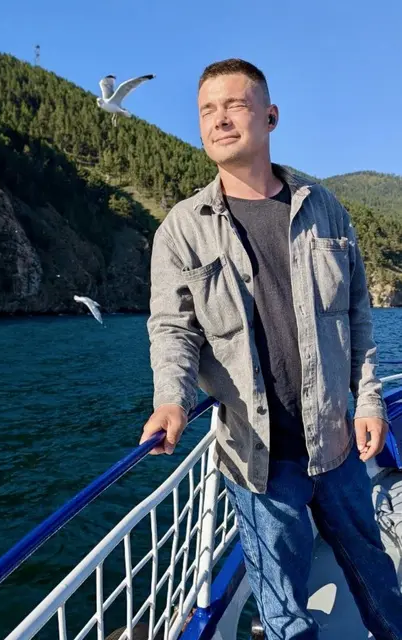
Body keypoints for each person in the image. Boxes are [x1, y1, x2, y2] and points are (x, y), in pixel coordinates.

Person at [140, 58, 402, 639]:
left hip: (336, 442)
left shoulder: (324, 209)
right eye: (207, 111)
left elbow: (358, 317)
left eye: (234, 105)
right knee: (282, 609)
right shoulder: (182, 229)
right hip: (257, 461)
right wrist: (171, 399)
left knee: (378, 578)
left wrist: (368, 401)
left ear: (270, 117)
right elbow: (173, 330)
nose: (219, 120)